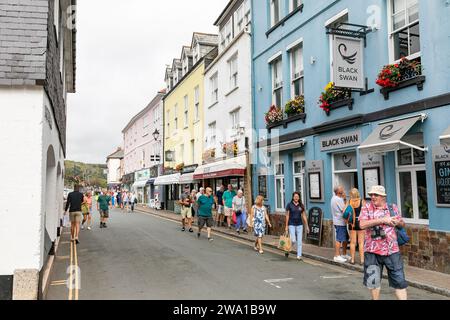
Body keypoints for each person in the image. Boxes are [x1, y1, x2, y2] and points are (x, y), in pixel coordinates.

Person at [359, 185, 408, 300]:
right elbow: (362, 225)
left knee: (399, 281)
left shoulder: (392, 207)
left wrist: (397, 222)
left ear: (383, 197)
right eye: (371, 195)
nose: (373, 197)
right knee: (374, 281)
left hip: (392, 251)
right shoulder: (366, 208)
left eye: (376, 195)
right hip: (372, 252)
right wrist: (383, 220)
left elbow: (402, 224)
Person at [343, 188, 365, 265]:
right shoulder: (362, 201)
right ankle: (362, 260)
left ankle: (352, 260)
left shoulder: (349, 202)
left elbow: (344, 211)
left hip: (351, 223)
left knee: (352, 242)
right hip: (360, 222)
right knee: (361, 242)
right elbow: (365, 212)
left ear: (351, 194)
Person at [284, 192, 309, 260]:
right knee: (293, 240)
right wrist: (286, 226)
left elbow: (304, 215)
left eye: (297, 196)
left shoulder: (301, 205)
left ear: (299, 197)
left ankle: (299, 255)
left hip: (299, 224)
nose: (296, 198)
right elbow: (287, 216)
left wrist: (307, 226)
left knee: (300, 241)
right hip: (291, 224)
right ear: (293, 197)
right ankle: (287, 249)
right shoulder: (289, 205)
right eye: (295, 196)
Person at [331, 185, 350, 263]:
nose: (343, 189)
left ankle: (344, 254)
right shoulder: (338, 199)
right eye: (341, 188)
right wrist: (347, 201)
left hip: (339, 221)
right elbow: (344, 210)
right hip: (340, 222)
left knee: (345, 238)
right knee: (339, 239)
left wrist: (344, 199)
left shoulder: (334, 198)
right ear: (338, 191)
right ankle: (337, 255)